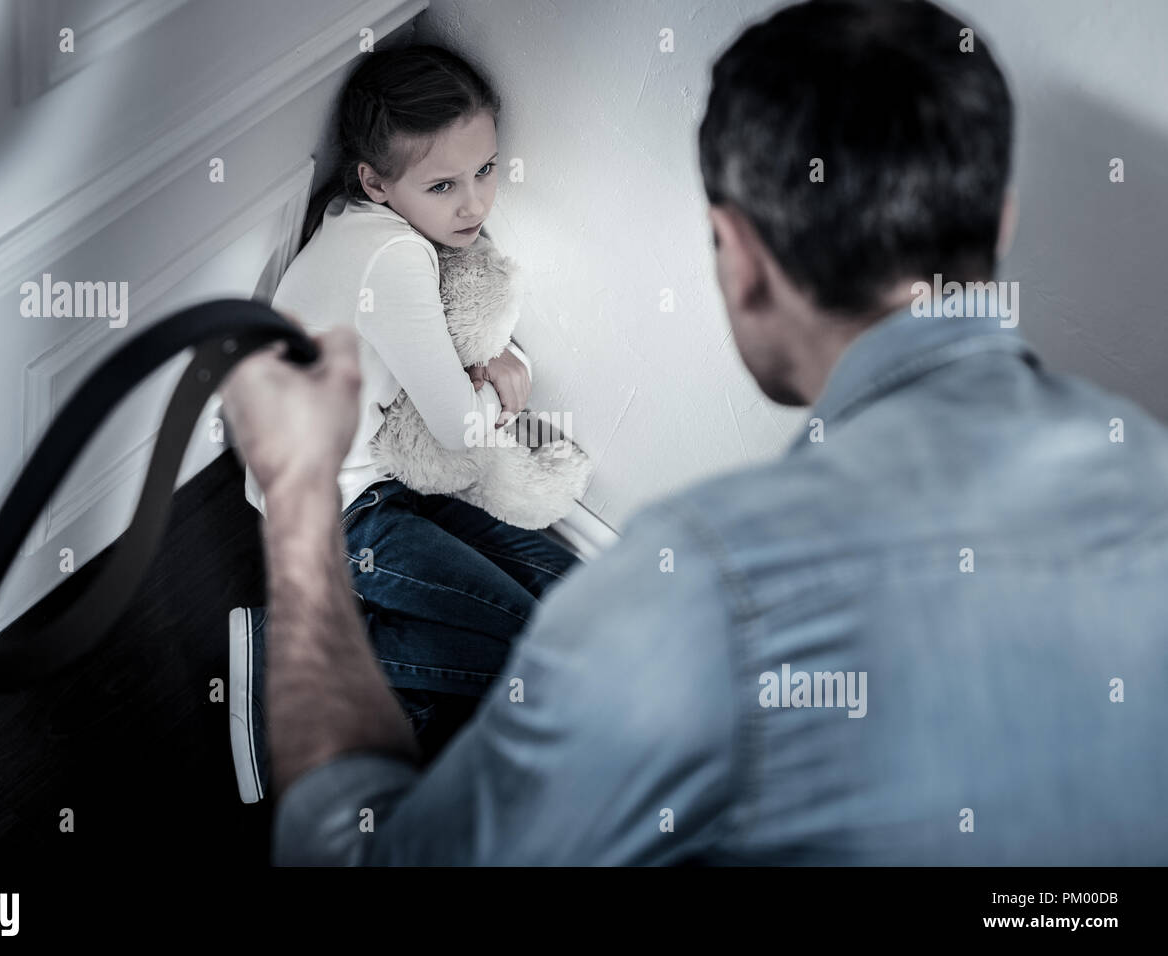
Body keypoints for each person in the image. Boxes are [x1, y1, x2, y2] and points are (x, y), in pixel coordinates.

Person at [221, 0, 1168, 863]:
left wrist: (298, 502)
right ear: (1000, 227)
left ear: (737, 258)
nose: (474, 200)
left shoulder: (702, 595)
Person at [226, 47, 582, 802]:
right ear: (375, 182)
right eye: (444, 184)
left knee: (569, 587)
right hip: (337, 511)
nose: (474, 205)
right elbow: (459, 429)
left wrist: (484, 375)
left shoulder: (360, 224)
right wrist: (506, 386)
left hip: (377, 479)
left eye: (486, 170)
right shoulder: (390, 258)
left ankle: (397, 707)